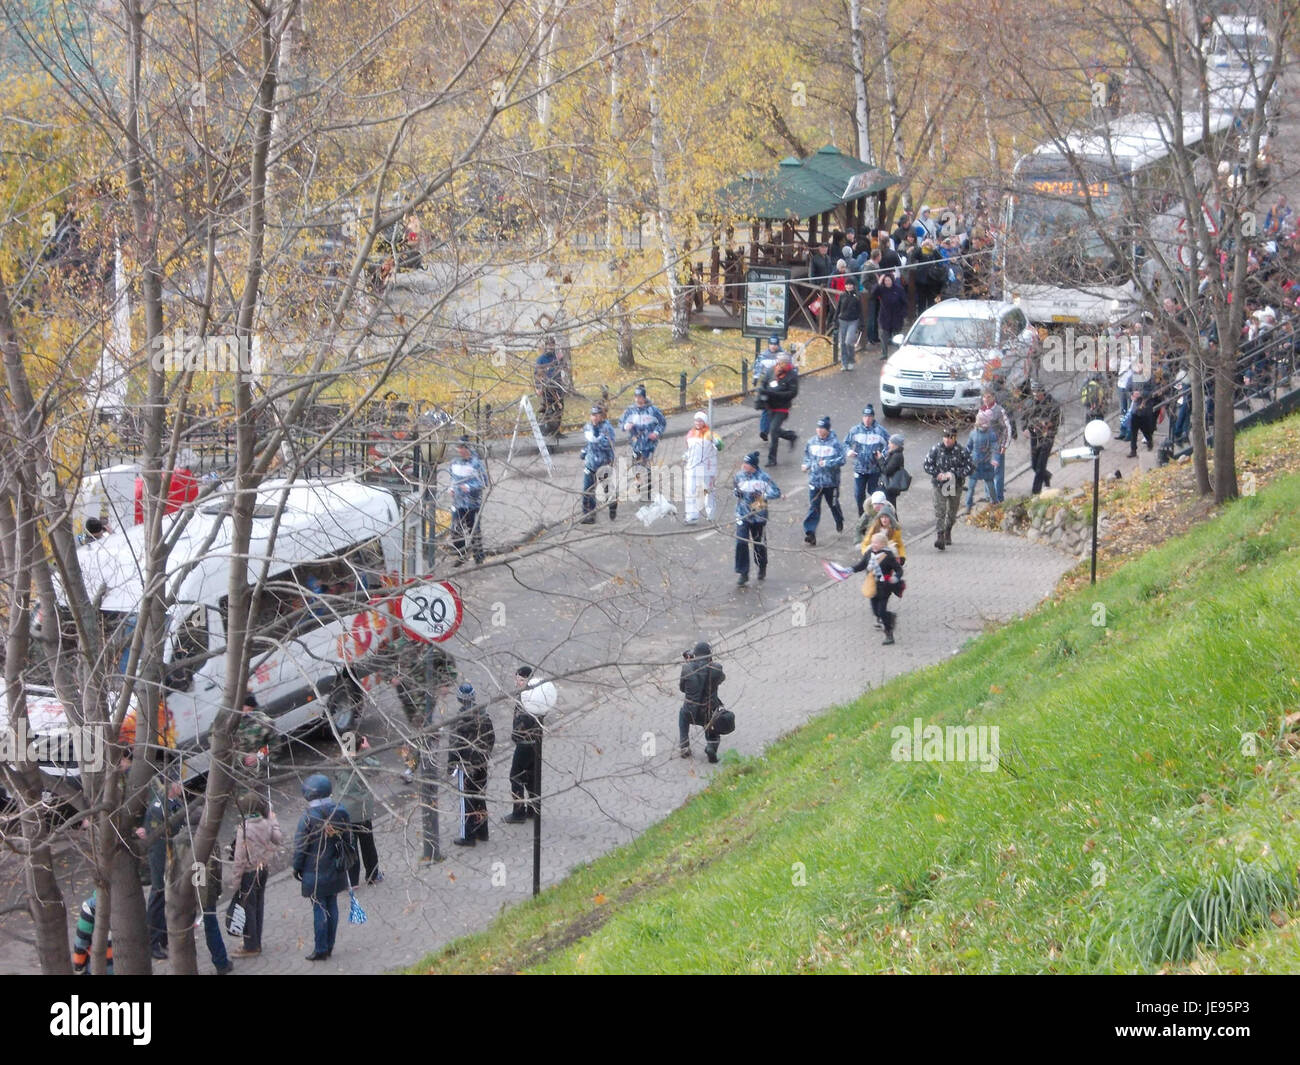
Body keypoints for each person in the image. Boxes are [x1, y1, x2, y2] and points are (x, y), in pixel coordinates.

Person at [292, 773, 354, 961]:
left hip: (315, 870)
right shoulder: (341, 811)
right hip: (336, 868)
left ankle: (320, 949)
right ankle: (330, 945)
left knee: (319, 908)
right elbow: (348, 838)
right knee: (332, 905)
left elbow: (300, 847)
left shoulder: (308, 817)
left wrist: (296, 868)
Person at [136, 764, 186, 961]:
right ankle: (153, 941)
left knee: (167, 898)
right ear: (172, 785)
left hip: (171, 856)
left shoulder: (174, 801)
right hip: (161, 857)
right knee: (157, 899)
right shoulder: (159, 808)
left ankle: (163, 937)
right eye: (180, 783)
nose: (182, 786)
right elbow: (158, 837)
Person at [228, 790, 282, 957]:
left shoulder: (244, 829)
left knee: (247, 909)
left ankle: (251, 945)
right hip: (263, 868)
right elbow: (277, 839)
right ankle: (256, 940)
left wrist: (235, 881)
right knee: (258, 906)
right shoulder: (265, 823)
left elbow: (239, 858)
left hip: (249, 873)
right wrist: (273, 820)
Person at [448, 683, 495, 847]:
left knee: (466, 801)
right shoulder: (484, 715)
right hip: (481, 763)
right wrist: (485, 754)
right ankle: (483, 831)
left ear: (459, 699)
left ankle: (467, 836)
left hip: (466, 767)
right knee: (480, 797)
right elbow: (491, 738)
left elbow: (454, 745)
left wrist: (451, 765)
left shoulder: (458, 720)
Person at [505, 666, 552, 823]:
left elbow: (524, 720)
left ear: (524, 679)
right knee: (532, 776)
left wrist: (516, 734)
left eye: (518, 678)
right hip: (535, 743)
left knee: (515, 776)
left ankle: (518, 812)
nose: (516, 681)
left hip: (525, 743)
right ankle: (533, 809)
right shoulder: (538, 693)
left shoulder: (527, 696)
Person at [335, 736, 383, 885]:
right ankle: (373, 875)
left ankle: (352, 880)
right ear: (359, 746)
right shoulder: (364, 763)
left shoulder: (338, 765)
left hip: (345, 812)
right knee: (368, 845)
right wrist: (368, 750)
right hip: (362, 810)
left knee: (350, 846)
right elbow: (378, 767)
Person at [733, 451, 781, 587]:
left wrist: (762, 496)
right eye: (744, 463)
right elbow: (735, 491)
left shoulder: (763, 477)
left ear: (753, 465)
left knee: (758, 543)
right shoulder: (739, 476)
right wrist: (738, 493)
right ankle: (743, 573)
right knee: (741, 542)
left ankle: (762, 565)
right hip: (742, 514)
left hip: (758, 515)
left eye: (746, 463)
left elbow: (776, 492)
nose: (743, 465)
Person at [923, 427, 974, 550]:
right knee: (940, 510)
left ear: (955, 438)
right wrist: (937, 474)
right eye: (946, 437)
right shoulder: (936, 449)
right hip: (939, 485)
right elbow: (926, 464)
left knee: (952, 511)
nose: (947, 440)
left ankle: (948, 530)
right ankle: (940, 536)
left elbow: (970, 466)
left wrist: (954, 474)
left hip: (954, 485)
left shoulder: (961, 451)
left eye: (950, 438)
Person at [850, 531, 905, 645]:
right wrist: (850, 570)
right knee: (876, 612)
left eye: (876, 543)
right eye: (873, 542)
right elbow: (861, 565)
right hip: (872, 586)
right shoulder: (869, 553)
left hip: (884, 588)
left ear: (883, 545)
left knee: (881, 611)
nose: (874, 545)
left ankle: (889, 634)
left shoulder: (888, 556)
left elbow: (899, 570)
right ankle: (890, 616)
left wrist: (895, 578)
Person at [801, 415, 846, 547]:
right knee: (814, 507)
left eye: (822, 428)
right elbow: (807, 457)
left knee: (833, 505)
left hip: (831, 483)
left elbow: (842, 460)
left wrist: (827, 463)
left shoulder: (835, 444)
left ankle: (839, 520)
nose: (819, 430)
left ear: (828, 429)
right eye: (818, 428)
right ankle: (810, 533)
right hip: (814, 482)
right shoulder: (811, 442)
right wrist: (806, 465)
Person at [678, 640, 726, 762]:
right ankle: (711, 746)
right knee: (712, 723)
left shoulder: (687, 669)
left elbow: (682, 689)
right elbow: (722, 679)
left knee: (682, 715)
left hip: (690, 712)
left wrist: (690, 664)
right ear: (709, 656)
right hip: (708, 712)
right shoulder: (717, 669)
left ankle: (684, 746)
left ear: (695, 655)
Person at [621, 386, 668, 503]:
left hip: (648, 444)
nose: (638, 399)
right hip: (635, 444)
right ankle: (638, 488)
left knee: (645, 466)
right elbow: (621, 422)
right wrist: (626, 426)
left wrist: (656, 433)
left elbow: (662, 422)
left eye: (640, 397)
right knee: (636, 466)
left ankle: (648, 491)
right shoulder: (630, 410)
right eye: (636, 397)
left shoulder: (652, 410)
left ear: (644, 397)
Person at [449, 436, 488, 566]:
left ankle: (479, 557)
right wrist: (451, 488)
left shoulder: (476, 463)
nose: (460, 450)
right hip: (458, 503)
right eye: (459, 448)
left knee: (474, 530)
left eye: (462, 448)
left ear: (468, 448)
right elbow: (453, 479)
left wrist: (470, 487)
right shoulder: (454, 463)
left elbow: (483, 482)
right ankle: (461, 555)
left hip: (472, 503)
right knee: (456, 530)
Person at [844, 405, 890, 514]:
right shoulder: (855, 430)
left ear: (873, 417)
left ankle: (876, 516)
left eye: (869, 417)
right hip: (859, 469)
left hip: (874, 470)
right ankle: (862, 516)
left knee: (875, 495)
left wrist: (882, 455)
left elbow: (889, 445)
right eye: (865, 416)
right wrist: (848, 451)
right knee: (859, 495)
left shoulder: (880, 431)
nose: (867, 419)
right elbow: (845, 444)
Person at [198, 843, 233, 974]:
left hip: (188, 892)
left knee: (187, 927)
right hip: (206, 890)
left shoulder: (180, 840)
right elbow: (217, 869)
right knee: (211, 926)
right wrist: (218, 889)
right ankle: (221, 963)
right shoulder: (210, 839)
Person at [758, 355, 799, 466]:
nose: (780, 365)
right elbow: (764, 382)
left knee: (773, 430)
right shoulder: (772, 371)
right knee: (774, 430)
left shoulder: (792, 376)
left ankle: (772, 459)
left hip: (782, 408)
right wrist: (762, 391)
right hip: (770, 406)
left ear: (787, 364)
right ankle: (791, 436)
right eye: (779, 363)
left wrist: (776, 394)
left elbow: (792, 393)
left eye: (783, 363)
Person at [579, 405, 617, 524]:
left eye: (597, 415)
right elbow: (589, 443)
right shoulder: (588, 427)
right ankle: (589, 514)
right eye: (592, 415)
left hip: (603, 463)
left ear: (601, 416)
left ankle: (613, 503)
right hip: (590, 464)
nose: (594, 418)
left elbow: (609, 445)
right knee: (587, 490)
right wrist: (584, 452)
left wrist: (597, 439)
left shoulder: (607, 428)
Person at [682, 411, 720, 524]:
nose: (698, 422)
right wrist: (686, 455)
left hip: (707, 468)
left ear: (705, 422)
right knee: (690, 491)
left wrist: (716, 442)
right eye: (696, 420)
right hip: (692, 467)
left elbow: (721, 446)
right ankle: (692, 516)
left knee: (708, 491)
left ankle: (711, 514)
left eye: (700, 420)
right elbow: (690, 450)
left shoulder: (711, 434)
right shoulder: (690, 434)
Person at [1023, 381, 1062, 493]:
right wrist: (1025, 428)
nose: (1036, 395)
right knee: (1034, 465)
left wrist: (1042, 424)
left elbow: (1055, 421)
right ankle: (1047, 476)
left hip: (1047, 436)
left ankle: (1035, 492)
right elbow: (1025, 418)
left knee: (1040, 465)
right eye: (1034, 393)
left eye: (1038, 393)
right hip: (1034, 436)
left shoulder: (1053, 404)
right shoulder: (1031, 403)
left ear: (1042, 392)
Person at [978, 390, 1013, 502]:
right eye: (984, 397)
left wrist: (1004, 445)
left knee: (997, 473)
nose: (986, 399)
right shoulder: (981, 409)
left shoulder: (999, 411)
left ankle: (998, 498)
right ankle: (989, 497)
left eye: (989, 397)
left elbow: (1007, 428)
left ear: (993, 397)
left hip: (996, 446)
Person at [965, 409, 1000, 510]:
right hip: (975, 463)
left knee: (990, 484)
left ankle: (995, 502)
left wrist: (995, 459)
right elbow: (969, 447)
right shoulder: (973, 433)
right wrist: (964, 457)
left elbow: (995, 448)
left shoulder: (991, 434)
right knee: (971, 486)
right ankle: (968, 505)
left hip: (986, 462)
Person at [71, 893, 114, 975]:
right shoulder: (131, 903)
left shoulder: (91, 907)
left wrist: (78, 967)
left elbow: (81, 942)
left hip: (99, 968)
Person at [534, 339, 566, 436]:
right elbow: (537, 375)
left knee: (559, 408)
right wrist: (538, 387)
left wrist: (561, 359)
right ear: (546, 346)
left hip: (557, 386)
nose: (550, 348)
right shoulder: (541, 359)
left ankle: (557, 431)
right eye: (549, 346)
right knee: (548, 409)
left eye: (552, 345)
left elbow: (563, 368)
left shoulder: (556, 357)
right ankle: (548, 430)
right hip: (547, 388)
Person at [874, 273, 908, 360]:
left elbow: (904, 302)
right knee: (884, 336)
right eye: (885, 281)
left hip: (896, 316)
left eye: (888, 280)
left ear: (892, 280)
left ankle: (898, 353)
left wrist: (903, 313)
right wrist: (878, 283)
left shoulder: (899, 289)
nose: (887, 282)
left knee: (897, 336)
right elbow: (873, 295)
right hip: (885, 316)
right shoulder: (881, 289)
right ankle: (884, 353)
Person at [835, 271, 862, 370]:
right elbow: (838, 309)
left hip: (853, 321)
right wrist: (835, 321)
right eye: (847, 285)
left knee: (848, 341)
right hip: (842, 320)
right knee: (842, 343)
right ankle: (844, 363)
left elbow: (860, 310)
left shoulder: (857, 296)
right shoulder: (842, 295)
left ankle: (851, 360)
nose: (849, 286)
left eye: (850, 285)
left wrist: (861, 323)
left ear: (853, 286)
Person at [1127, 379, 1158, 456]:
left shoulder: (1150, 378)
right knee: (1133, 431)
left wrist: (1141, 394)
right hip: (1135, 409)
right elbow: (1127, 388)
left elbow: (1154, 392)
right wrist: (1131, 394)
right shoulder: (1132, 377)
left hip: (1145, 409)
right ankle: (1133, 450)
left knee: (1145, 430)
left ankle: (1149, 441)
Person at [879, 434, 908, 508]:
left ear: (895, 445)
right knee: (889, 507)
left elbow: (886, 471)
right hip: (890, 487)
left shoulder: (896, 456)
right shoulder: (894, 454)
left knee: (889, 508)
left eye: (890, 443)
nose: (888, 445)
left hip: (890, 487)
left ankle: (893, 519)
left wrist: (880, 459)